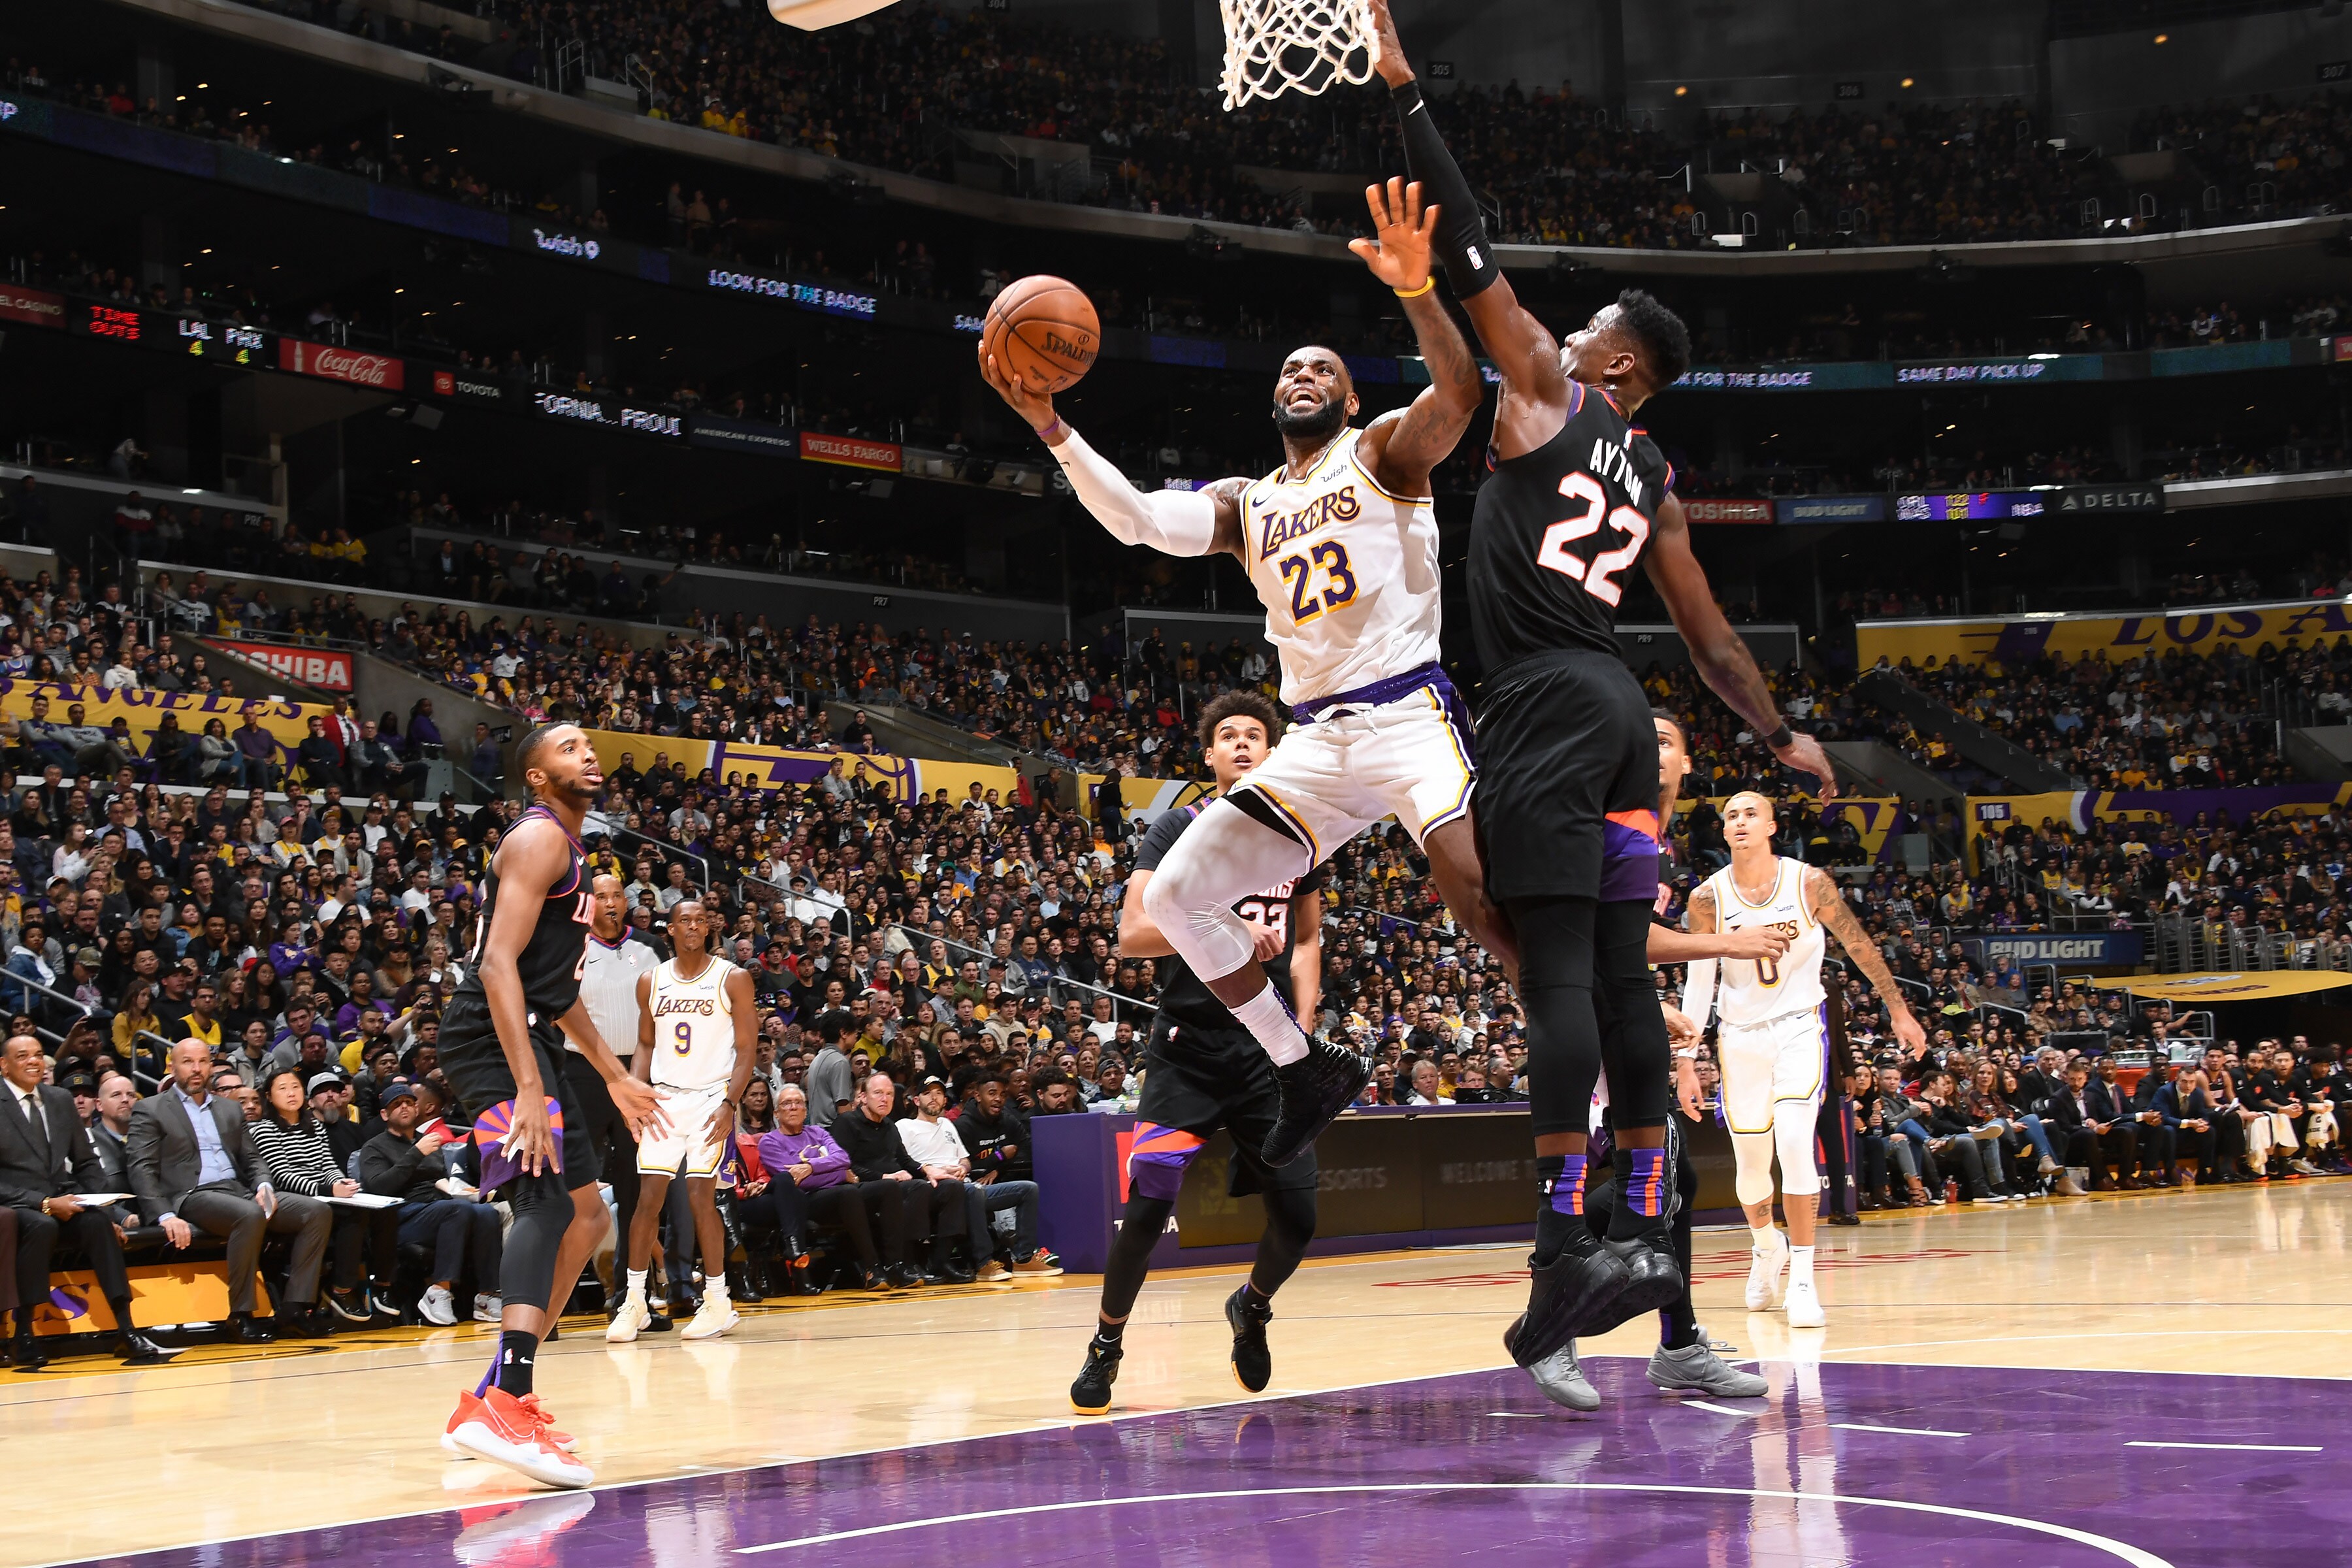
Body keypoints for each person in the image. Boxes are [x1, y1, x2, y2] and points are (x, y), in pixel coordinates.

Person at [1352, 0, 1838, 1375]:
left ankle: (1561, 1267)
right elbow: (1719, 652)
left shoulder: (1549, 395)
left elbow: (1469, 239)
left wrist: (1404, 94)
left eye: (1582, 334)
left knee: (1561, 988)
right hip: (1632, 716)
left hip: (1546, 708)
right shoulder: (1662, 481)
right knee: (1631, 1005)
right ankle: (1674, 1312)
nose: (1555, 336)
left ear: (1614, 364)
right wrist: (1783, 735)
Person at [978, 167, 1506, 1175]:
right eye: (1290, 370)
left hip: (1406, 715)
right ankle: (1300, 1062)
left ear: (1350, 398)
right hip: (1314, 742)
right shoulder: (1245, 503)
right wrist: (1051, 426)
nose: (1301, 376)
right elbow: (1136, 519)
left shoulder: (1385, 453)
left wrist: (1414, 289)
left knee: (1477, 899)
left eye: (1322, 370)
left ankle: (1597, 1064)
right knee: (1175, 896)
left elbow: (1462, 393)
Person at [1070, 692, 1327, 1413]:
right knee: (1149, 1201)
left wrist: (1301, 1024)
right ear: (1210, 757)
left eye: (1255, 735)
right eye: (1228, 736)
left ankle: (1252, 1305)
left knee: (1300, 1216)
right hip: (1190, 1049)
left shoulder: (1299, 841)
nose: (1243, 744)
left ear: (1272, 754)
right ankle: (1107, 1344)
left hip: (1268, 1054)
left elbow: (1306, 942)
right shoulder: (1178, 831)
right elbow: (1132, 935)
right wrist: (1232, 935)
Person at [1526, 710, 1782, 1410]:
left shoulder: (1660, 844)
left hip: (1622, 1020)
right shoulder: (1608, 817)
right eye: (1642, 737)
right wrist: (1726, 944)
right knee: (1645, 1181)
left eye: (1666, 739)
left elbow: (1629, 947)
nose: (1650, 749)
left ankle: (1676, 1341)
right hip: (1581, 1017)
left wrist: (1673, 1042)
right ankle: (1555, 1323)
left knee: (1676, 1180)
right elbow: (1618, 937)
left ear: (1687, 762)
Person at [434, 724, 668, 1489]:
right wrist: (527, 1086)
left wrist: (612, 1074)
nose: (588, 755)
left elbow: (557, 991)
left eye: (590, 746)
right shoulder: (537, 841)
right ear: (537, 777)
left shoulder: (574, 855)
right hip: (491, 1041)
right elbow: (497, 963)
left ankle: (500, 1394)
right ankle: (508, 1397)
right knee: (541, 1205)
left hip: (534, 1035)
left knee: (588, 1211)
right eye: (568, 748)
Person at [1680, 793, 1925, 1331]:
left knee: (1793, 1141)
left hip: (1797, 1028)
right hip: (1739, 1038)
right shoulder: (1707, 898)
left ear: (1771, 825)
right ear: (1723, 833)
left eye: (1750, 813)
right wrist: (1684, 1060)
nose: (1740, 822)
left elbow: (1859, 945)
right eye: (1731, 817)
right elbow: (1699, 984)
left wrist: (1899, 1011)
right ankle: (1768, 1246)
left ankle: (1805, 1281)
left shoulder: (1808, 882)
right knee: (1749, 1167)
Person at [609, 900, 755, 1343]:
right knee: (647, 1200)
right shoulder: (651, 980)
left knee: (700, 1195)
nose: (693, 925)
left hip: (712, 1098)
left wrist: (731, 1103)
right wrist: (634, 1095)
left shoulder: (732, 978)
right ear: (670, 929)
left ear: (710, 928)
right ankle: (634, 1302)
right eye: (684, 920)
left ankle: (716, 1300)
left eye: (701, 920)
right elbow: (645, 1044)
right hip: (665, 1101)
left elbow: (747, 1050)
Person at [126, 1037, 333, 1342]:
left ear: (211, 1066)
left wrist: (264, 1184)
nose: (196, 1069)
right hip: (192, 1194)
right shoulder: (151, 1108)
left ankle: (293, 1309)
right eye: (188, 1062)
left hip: (237, 1191)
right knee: (249, 1214)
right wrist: (164, 1215)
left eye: (202, 1062)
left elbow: (252, 1158)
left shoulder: (229, 1109)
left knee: (316, 1211)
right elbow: (140, 1168)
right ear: (172, 1066)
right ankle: (240, 1315)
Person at [0, 1033, 174, 1367]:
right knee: (41, 1225)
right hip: (19, 1205)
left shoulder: (59, 1098)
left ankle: (126, 1327)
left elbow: (86, 1163)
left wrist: (106, 1210)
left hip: (64, 1199)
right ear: (4, 1066)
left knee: (97, 1223)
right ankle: (25, 1332)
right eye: (23, 1056)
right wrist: (45, 1204)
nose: (34, 1061)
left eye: (38, 1054)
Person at [561, 873, 662, 1327]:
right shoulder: (570, 948)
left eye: (616, 895)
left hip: (636, 1074)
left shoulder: (647, 950)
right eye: (599, 895)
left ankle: (631, 1300)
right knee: (570, 1191)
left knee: (636, 1191)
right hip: (582, 1074)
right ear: (588, 903)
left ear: (627, 902)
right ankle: (550, 1303)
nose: (609, 902)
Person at [249, 1065, 400, 1325]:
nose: (291, 1093)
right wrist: (328, 1190)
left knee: (384, 1210)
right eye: (282, 1089)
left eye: (295, 1087)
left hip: (324, 1193)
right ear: (269, 1096)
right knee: (352, 1215)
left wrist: (341, 1182)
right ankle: (341, 1290)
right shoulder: (263, 1129)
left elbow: (327, 1164)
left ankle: (383, 1285)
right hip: (290, 1198)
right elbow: (282, 1176)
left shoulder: (315, 1126)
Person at [745, 1083, 880, 1290]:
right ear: (776, 1113)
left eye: (798, 1103)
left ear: (806, 1110)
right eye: (787, 1104)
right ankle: (799, 1261)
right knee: (790, 1186)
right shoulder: (770, 1141)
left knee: (876, 1190)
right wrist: (838, 1173)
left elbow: (843, 1158)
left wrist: (811, 1167)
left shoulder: (818, 1132)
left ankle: (881, 1268)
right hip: (799, 1198)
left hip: (817, 1196)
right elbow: (793, 1179)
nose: (793, 1107)